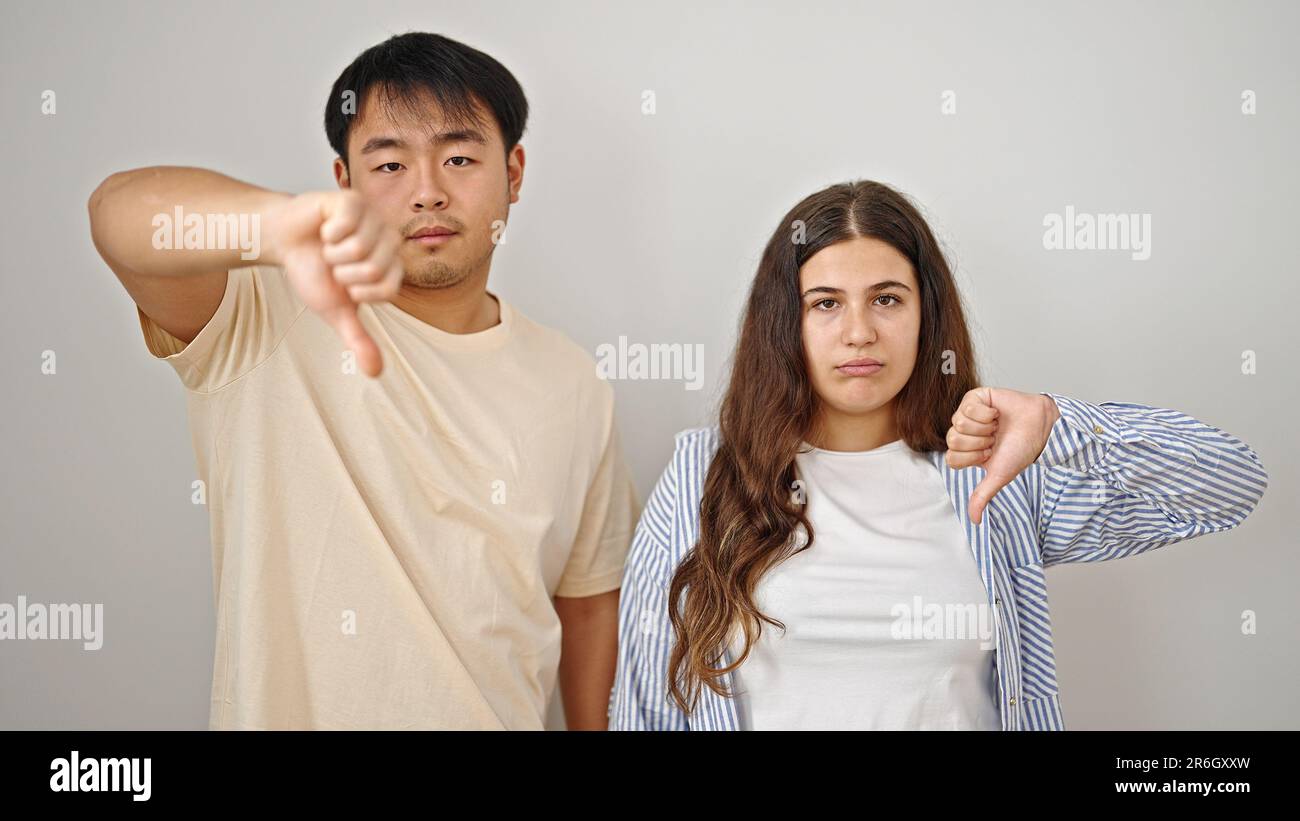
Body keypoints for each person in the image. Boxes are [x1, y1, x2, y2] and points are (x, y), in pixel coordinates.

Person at [87, 32, 639, 730]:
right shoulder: (266, 313)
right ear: (343, 182)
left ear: (516, 172)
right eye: (389, 164)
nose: (428, 192)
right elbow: (116, 216)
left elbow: (587, 601)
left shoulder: (575, 382)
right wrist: (278, 221)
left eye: (461, 157)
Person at [609, 179, 1268, 730]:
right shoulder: (705, 477)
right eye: (827, 303)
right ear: (787, 323)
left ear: (927, 315)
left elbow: (1228, 486)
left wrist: (1061, 419)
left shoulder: (992, 472)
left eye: (887, 299)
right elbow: (642, 703)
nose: (860, 331)